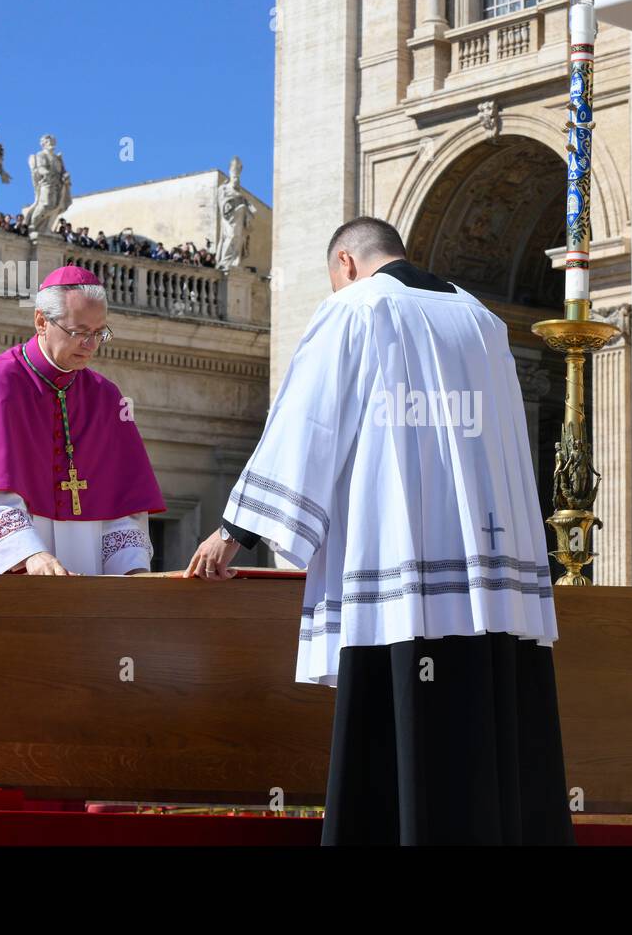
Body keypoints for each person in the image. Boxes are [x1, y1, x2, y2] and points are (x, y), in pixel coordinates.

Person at [184, 217, 574, 845]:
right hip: (488, 579)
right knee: (486, 745)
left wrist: (235, 530)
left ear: (345, 263)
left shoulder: (355, 311)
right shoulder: (479, 319)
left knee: (401, 747)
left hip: (402, 566)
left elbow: (307, 424)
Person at [0, 266, 165, 576]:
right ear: (41, 321)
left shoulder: (106, 398)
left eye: (99, 333)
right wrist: (29, 554)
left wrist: (132, 570)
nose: (91, 345)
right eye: (79, 332)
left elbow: (122, 508)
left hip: (83, 583)